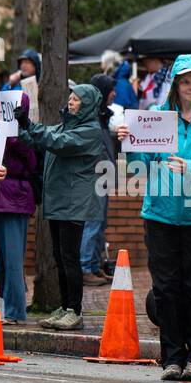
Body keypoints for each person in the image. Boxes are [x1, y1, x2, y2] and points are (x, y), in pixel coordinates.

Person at [117, 54, 191, 381]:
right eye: (185, 81)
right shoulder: (157, 117)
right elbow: (142, 161)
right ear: (175, 85)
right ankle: (172, 357)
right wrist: (128, 140)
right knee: (166, 289)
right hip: (160, 216)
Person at [19, 84, 108, 331]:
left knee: (69, 257)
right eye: (70, 97)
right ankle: (66, 306)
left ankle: (75, 310)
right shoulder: (66, 125)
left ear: (88, 104)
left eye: (77, 99)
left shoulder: (90, 131)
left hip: (73, 203)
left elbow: (56, 141)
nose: (71, 101)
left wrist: (29, 124)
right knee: (60, 256)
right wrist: (18, 124)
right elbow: (39, 138)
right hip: (59, 201)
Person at [0, 92, 39, 325]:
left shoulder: (28, 132)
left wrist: (14, 131)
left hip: (12, 199)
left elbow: (32, 162)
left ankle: (13, 310)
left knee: (11, 260)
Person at [81, 73, 118, 285]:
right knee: (92, 224)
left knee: (99, 224)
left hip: (102, 179)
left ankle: (94, 267)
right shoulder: (92, 118)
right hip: (94, 179)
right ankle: (85, 267)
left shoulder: (102, 116)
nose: (114, 94)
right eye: (110, 90)